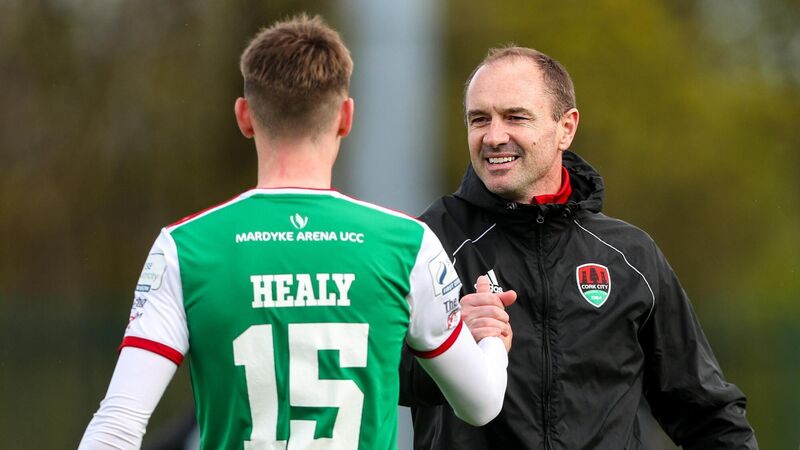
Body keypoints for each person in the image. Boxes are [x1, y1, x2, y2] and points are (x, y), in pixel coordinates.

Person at [78, 15, 516, 450]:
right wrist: (492, 339)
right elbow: (480, 404)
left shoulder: (184, 248)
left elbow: (116, 429)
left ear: (245, 116)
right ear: (346, 117)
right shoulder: (407, 244)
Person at [399, 46, 758, 449]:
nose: (494, 136)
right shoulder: (427, 241)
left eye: (515, 117)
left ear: (565, 128)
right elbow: (369, 369)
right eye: (479, 119)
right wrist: (446, 340)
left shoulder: (629, 255)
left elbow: (706, 413)